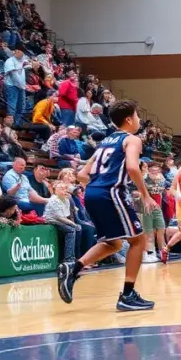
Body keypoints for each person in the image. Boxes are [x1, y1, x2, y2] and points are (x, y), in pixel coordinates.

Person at [56, 99, 158, 312]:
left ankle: (73, 268)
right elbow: (132, 167)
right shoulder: (132, 139)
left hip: (93, 193)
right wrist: (146, 195)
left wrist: (99, 187)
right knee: (138, 240)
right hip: (110, 193)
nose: (139, 120)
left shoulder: (106, 141)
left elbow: (82, 174)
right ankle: (128, 295)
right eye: (137, 116)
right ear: (129, 119)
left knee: (114, 244)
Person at [44, 181, 81, 263]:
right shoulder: (53, 200)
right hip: (51, 221)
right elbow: (59, 217)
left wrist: (70, 200)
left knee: (78, 228)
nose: (63, 191)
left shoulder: (66, 200)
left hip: (60, 221)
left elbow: (68, 214)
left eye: (65, 189)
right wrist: (72, 223)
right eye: (61, 189)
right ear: (55, 190)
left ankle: (75, 256)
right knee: (71, 230)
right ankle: (69, 258)